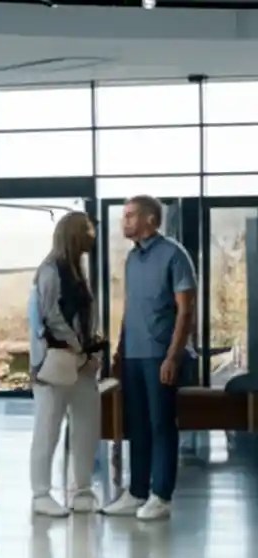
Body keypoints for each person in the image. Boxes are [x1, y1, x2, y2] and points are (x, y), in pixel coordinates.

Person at [103, 195, 198, 521]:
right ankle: (137, 491)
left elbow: (186, 311)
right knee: (137, 426)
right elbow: (131, 308)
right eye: (124, 216)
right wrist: (119, 350)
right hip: (133, 356)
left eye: (130, 216)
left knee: (161, 425)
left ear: (151, 221)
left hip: (161, 355)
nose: (124, 222)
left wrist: (173, 357)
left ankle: (161, 495)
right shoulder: (131, 259)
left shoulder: (174, 255)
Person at [27, 211, 105, 517]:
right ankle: (41, 494)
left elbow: (85, 315)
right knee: (48, 429)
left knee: (87, 427)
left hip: (82, 364)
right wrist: (78, 345)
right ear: (75, 234)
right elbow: (50, 317)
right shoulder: (50, 271)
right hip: (55, 363)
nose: (92, 233)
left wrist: (91, 347)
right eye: (88, 228)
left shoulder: (78, 270)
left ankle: (82, 489)